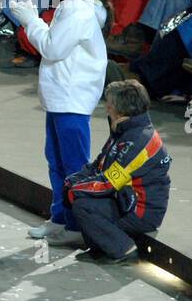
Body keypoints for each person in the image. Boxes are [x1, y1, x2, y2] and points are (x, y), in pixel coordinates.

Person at [9, 0, 107, 249]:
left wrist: (30, 21)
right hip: (62, 96)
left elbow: (53, 48)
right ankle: (61, 218)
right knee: (57, 161)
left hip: (72, 97)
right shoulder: (71, 5)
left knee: (74, 166)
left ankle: (77, 225)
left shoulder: (79, 10)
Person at [64, 80, 170, 264]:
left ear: (121, 110)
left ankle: (123, 249)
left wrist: (74, 189)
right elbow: (100, 164)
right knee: (80, 196)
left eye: (110, 105)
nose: (106, 108)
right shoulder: (125, 131)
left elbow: (108, 182)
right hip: (124, 201)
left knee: (83, 205)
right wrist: (73, 180)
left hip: (142, 211)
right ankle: (101, 248)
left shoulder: (139, 141)